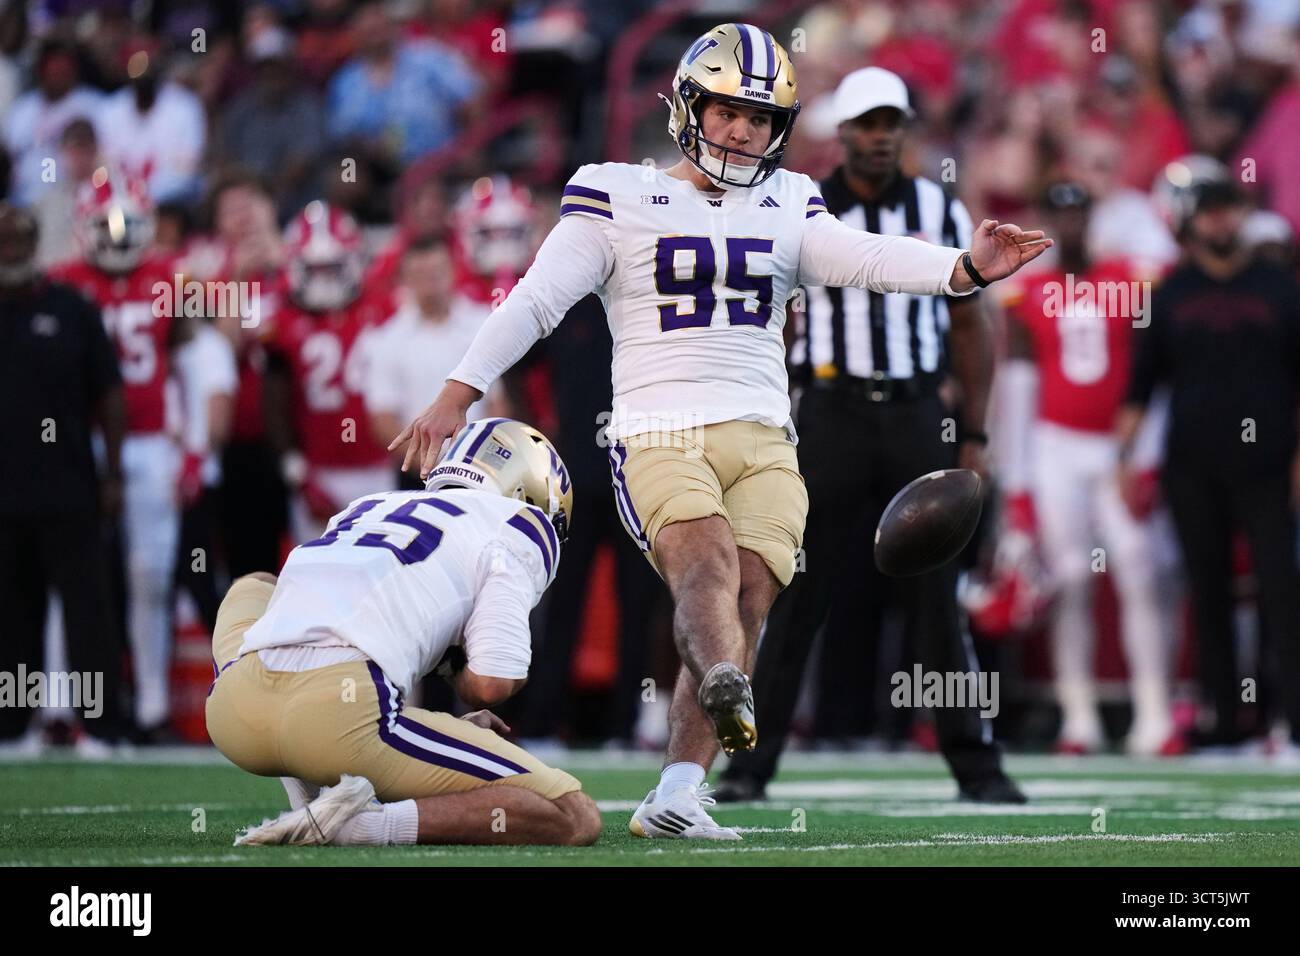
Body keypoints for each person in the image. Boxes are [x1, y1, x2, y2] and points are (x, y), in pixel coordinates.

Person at [390, 23, 1050, 840]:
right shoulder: (614, 193)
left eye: (761, 117)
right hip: (659, 426)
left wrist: (962, 268)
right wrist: (459, 392)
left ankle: (674, 791)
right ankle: (730, 679)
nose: (744, 130)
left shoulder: (789, 200)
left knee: (753, 594)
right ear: (688, 106)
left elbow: (863, 256)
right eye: (729, 111)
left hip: (769, 433)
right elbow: (533, 301)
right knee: (705, 570)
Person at [718, 67, 1025, 803]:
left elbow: (969, 320)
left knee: (936, 598)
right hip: (830, 412)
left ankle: (976, 767)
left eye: (892, 124)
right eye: (867, 124)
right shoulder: (804, 203)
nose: (881, 137)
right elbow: (774, 314)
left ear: (904, 130)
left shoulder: (936, 205)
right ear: (842, 131)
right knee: (795, 591)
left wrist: (973, 430)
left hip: (918, 413)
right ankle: (750, 767)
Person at [208, 419, 601, 847]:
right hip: (337, 719)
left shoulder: (367, 505)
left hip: (235, 710)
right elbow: (491, 683)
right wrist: (459, 686)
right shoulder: (520, 525)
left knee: (257, 584)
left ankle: (307, 769)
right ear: (531, 492)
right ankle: (356, 827)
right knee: (573, 815)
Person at [1117, 180, 1300, 754]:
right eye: (1210, 214)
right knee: (1207, 591)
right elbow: (1140, 388)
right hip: (1191, 466)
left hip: (1268, 466)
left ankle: (1292, 720)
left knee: (1281, 592)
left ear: (1243, 217)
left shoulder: (1280, 290)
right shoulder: (1170, 294)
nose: (1220, 224)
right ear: (1192, 223)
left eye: (1229, 212)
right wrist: (1125, 462)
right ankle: (1223, 720)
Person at [998, 183, 1177, 756]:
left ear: (1093, 219)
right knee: (1070, 579)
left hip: (1116, 449)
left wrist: (1146, 456)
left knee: (1139, 572)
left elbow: (1153, 374)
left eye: (1079, 214)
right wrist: (1018, 483)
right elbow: (1019, 392)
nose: (1070, 225)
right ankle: (1079, 718)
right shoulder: (1026, 291)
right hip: (1056, 447)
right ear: (1046, 221)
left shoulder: (1133, 278)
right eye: (1060, 214)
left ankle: (1155, 714)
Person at [49, 171, 190, 740]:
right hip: (82, 442)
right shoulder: (63, 282)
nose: (116, 237)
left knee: (150, 578)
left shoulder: (168, 280)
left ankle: (152, 707)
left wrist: (193, 440)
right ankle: (59, 703)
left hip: (151, 440)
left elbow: (190, 360)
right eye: (107, 226)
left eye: (128, 226)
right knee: (68, 573)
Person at [0, 202, 126, 754]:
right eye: (3, 240)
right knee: (9, 613)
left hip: (69, 486)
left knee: (87, 614)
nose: (11, 250)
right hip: (4, 495)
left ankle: (99, 727)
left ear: (34, 245)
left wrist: (114, 473)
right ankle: (10, 726)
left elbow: (111, 396)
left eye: (19, 239)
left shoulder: (73, 309)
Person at [264, 201, 395, 544]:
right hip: (318, 469)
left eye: (332, 268)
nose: (323, 280)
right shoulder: (283, 320)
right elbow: (274, 405)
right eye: (314, 269)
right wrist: (296, 472)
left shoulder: (382, 309)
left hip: (379, 465)